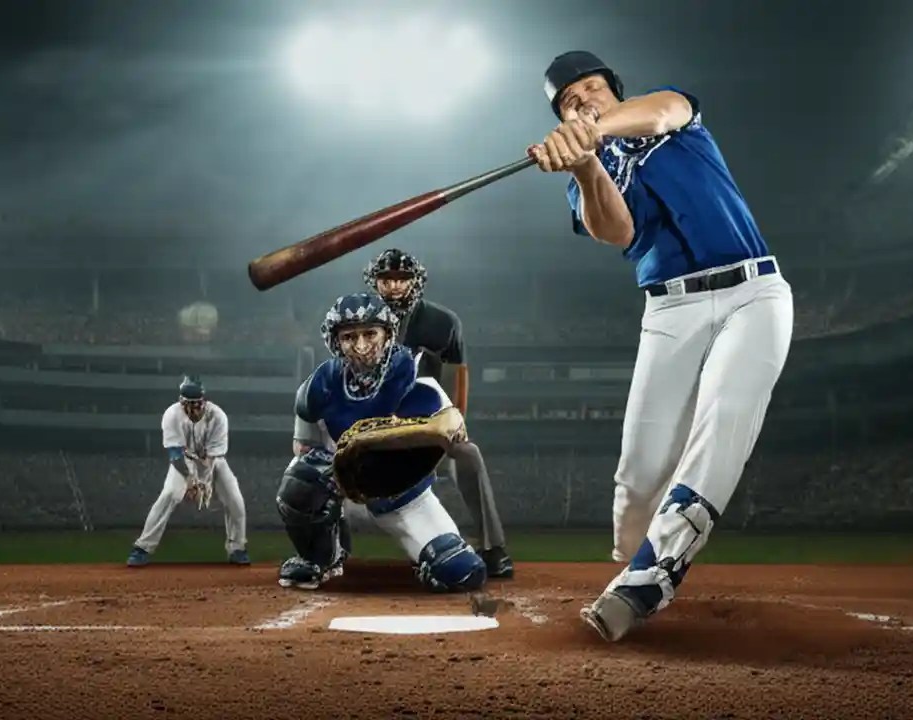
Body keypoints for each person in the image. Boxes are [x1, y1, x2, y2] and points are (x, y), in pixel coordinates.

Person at [529, 51, 794, 640]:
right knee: (640, 476)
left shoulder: (668, 110)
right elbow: (618, 231)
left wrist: (589, 130)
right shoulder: (590, 170)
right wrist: (583, 167)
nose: (582, 101)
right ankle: (636, 554)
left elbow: (661, 114)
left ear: (615, 89)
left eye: (591, 88)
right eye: (568, 101)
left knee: (721, 420)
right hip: (670, 307)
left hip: (754, 291)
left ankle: (649, 578)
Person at [276, 292, 487, 593]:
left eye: (369, 333)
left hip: (403, 495)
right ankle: (320, 557)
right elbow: (304, 450)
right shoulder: (317, 387)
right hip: (344, 486)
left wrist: (434, 431)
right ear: (336, 341)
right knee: (301, 479)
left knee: (459, 571)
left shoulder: (420, 386)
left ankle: (430, 555)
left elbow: (454, 437)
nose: (361, 346)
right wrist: (337, 473)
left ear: (388, 334)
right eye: (349, 336)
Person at [362, 248, 513, 578]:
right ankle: (327, 549)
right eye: (387, 279)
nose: (394, 287)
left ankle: (493, 547)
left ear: (416, 282)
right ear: (374, 283)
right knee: (318, 471)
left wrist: (454, 422)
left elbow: (455, 379)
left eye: (402, 279)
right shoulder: (359, 322)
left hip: (424, 424)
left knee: (468, 455)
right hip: (369, 430)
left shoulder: (442, 323)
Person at [127, 375, 250, 567]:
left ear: (204, 401)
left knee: (235, 499)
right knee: (169, 494)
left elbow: (211, 457)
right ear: (181, 402)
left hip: (213, 461)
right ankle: (142, 548)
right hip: (184, 461)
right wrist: (191, 481)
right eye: (189, 404)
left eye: (198, 404)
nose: (194, 409)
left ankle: (237, 549)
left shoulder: (218, 416)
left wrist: (204, 483)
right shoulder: (171, 415)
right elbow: (176, 455)